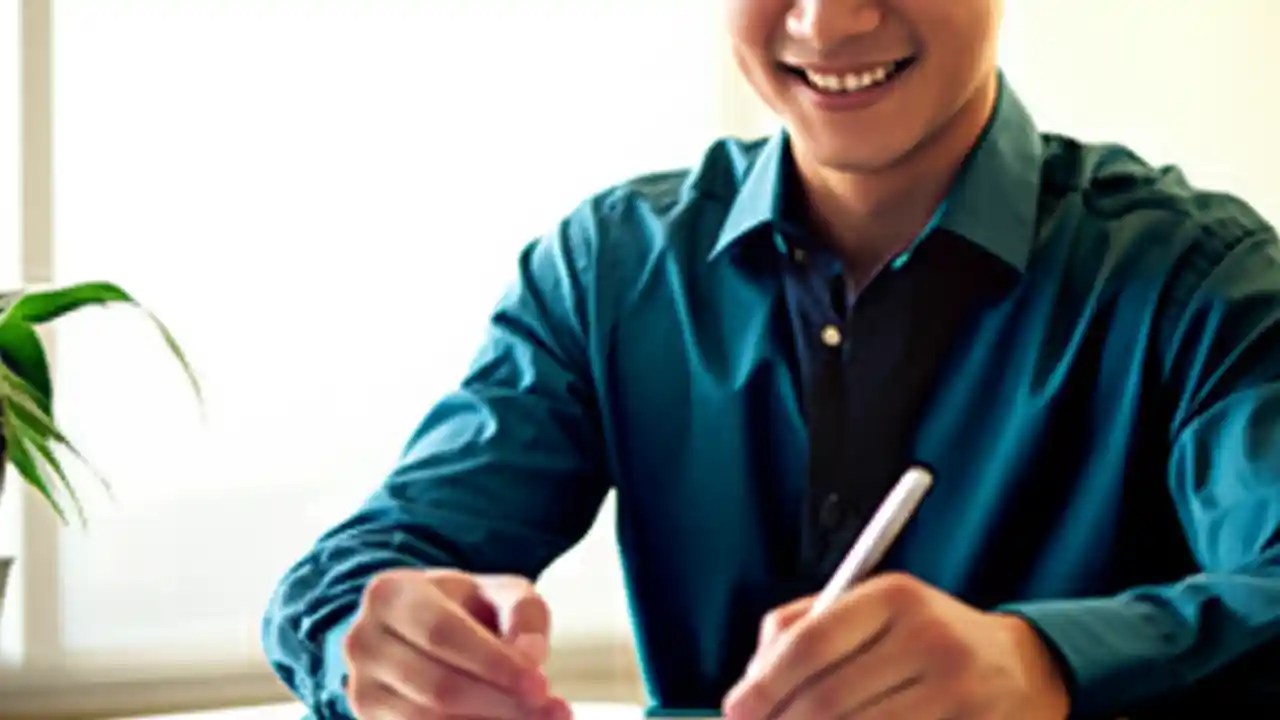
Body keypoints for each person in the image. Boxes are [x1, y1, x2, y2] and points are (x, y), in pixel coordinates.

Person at [262, 1, 1280, 718]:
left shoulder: (1196, 281)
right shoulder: (611, 269)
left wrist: (1043, 666)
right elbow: (349, 574)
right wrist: (391, 651)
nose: (828, 20)